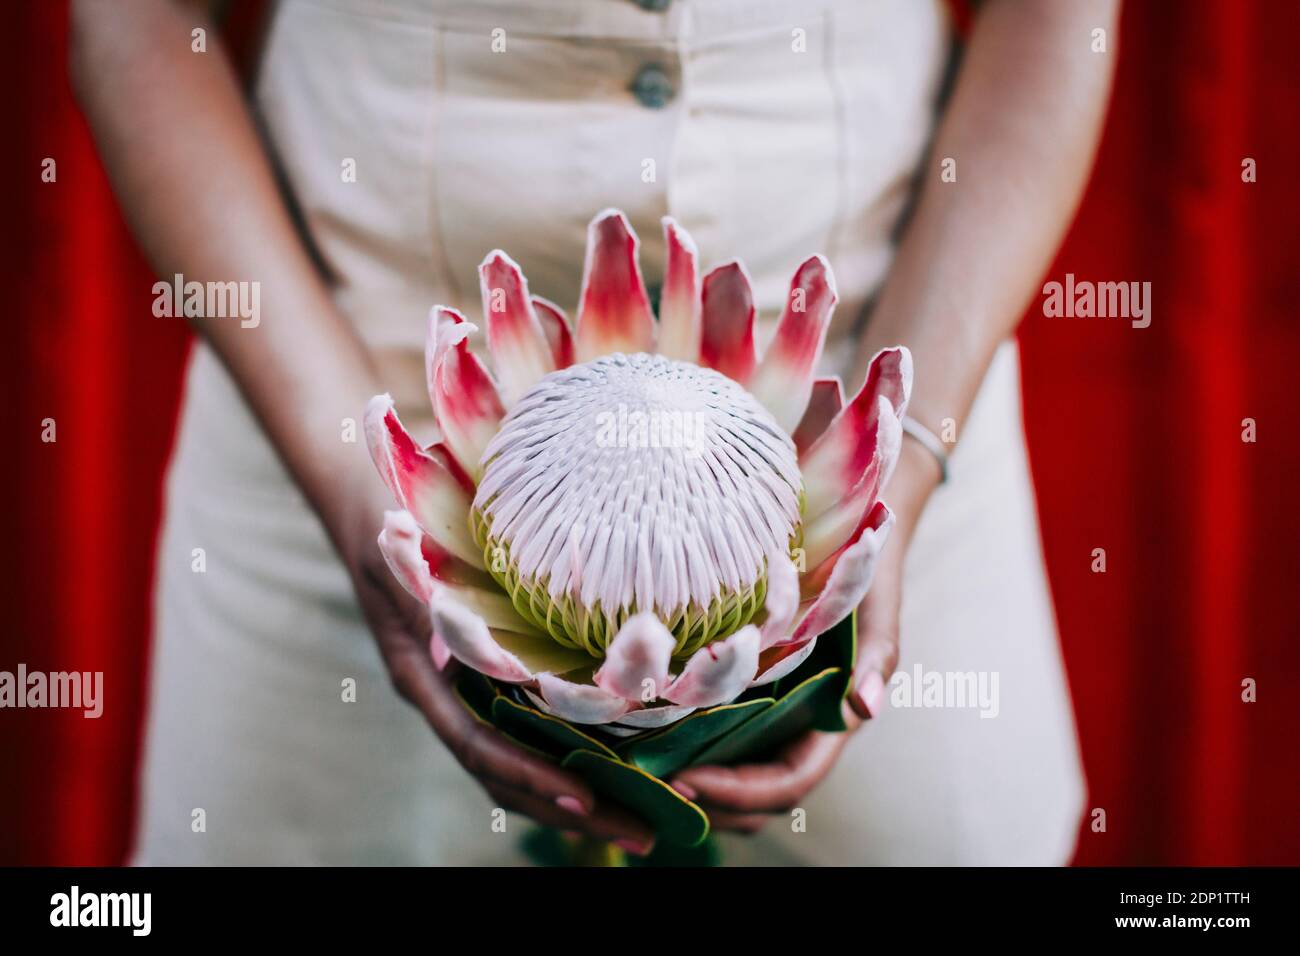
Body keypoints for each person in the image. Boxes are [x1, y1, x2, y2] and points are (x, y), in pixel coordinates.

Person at [71, 0, 1117, 864]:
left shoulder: (885, 474)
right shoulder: (365, 482)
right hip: (350, 436)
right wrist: (355, 480)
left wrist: (914, 444)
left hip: (878, 447)